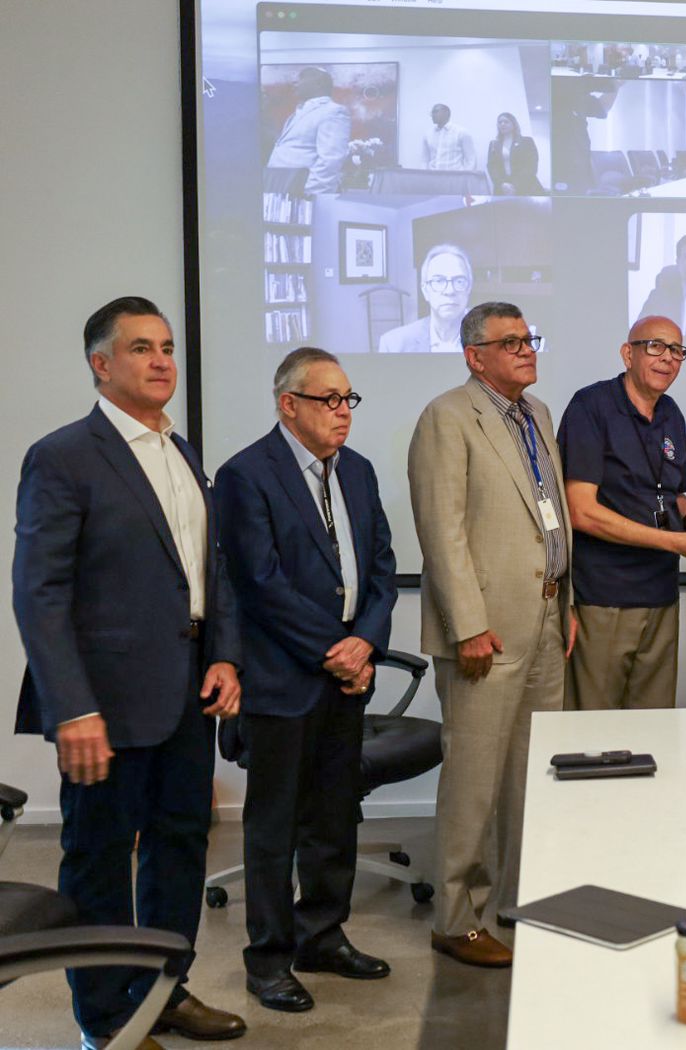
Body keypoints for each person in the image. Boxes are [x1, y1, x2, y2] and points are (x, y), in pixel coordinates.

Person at [12, 296, 246, 1047]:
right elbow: (38, 591)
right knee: (102, 862)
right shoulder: (64, 454)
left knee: (181, 845)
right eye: (142, 348)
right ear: (101, 364)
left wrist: (225, 655)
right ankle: (108, 1022)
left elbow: (209, 572)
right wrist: (71, 707)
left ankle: (166, 992)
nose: (162, 361)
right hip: (102, 707)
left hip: (185, 693)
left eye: (168, 347)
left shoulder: (181, 451)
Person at [214, 348, 398, 1012]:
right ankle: (268, 960)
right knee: (274, 825)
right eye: (330, 399)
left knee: (332, 816)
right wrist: (336, 650)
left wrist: (366, 642)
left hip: (347, 676)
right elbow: (259, 586)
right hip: (281, 678)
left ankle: (323, 934)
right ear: (288, 404)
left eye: (349, 398)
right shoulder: (244, 475)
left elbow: (382, 568)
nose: (344, 412)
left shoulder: (361, 472)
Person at [408, 302, 572, 967]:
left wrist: (568, 602)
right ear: (475, 356)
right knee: (476, 775)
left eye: (528, 338)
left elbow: (549, 516)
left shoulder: (537, 414)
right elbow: (441, 531)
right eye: (509, 343)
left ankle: (514, 900)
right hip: (487, 631)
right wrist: (468, 625)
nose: (525, 350)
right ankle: (455, 916)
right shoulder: (448, 417)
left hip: (545, 615)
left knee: (531, 773)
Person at [559, 316, 686, 711]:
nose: (667, 358)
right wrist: (676, 541)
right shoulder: (592, 406)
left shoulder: (670, 412)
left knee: (653, 729)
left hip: (662, 595)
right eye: (655, 346)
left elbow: (673, 497)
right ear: (628, 353)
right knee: (594, 733)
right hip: (604, 598)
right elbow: (582, 511)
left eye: (676, 350)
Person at [266, 66, 350, 195]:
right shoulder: (299, 111)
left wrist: (308, 193)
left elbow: (330, 161)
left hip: (300, 194)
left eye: (301, 77)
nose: (295, 82)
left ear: (319, 83)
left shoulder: (333, 111)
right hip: (279, 190)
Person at [377, 243, 474, 354]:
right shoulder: (393, 345)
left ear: (469, 288)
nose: (449, 291)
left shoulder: (492, 340)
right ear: (425, 291)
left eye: (459, 281)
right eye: (438, 281)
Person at [486, 112, 545, 195]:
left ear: (514, 124)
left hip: (526, 186)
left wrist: (515, 186)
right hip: (503, 189)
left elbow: (531, 165)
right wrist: (502, 184)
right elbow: (491, 166)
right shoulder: (494, 144)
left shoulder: (527, 141)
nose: (502, 124)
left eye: (506, 122)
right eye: (500, 122)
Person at [422, 103, 477, 171]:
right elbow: (425, 160)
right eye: (432, 112)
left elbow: (471, 160)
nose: (432, 115)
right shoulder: (428, 134)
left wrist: (464, 179)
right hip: (433, 177)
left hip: (454, 178)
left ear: (446, 113)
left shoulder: (462, 132)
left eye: (435, 111)